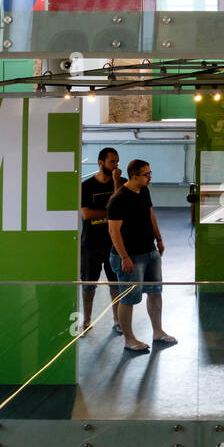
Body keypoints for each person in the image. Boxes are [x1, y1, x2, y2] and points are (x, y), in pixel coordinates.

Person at [107, 159, 175, 352]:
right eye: (146, 174)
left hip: (149, 252)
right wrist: (124, 257)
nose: (150, 176)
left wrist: (159, 239)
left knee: (155, 292)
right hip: (130, 257)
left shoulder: (144, 191)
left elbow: (150, 214)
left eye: (150, 173)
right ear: (134, 176)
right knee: (129, 298)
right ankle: (129, 339)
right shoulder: (118, 199)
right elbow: (113, 232)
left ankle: (158, 332)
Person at [80, 147, 123, 335]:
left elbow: (121, 207)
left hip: (114, 242)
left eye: (117, 161)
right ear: (101, 163)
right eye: (112, 162)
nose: (116, 165)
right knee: (89, 283)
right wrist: (111, 214)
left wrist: (115, 182)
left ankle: (118, 320)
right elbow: (86, 214)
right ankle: (87, 320)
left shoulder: (121, 183)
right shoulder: (87, 186)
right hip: (91, 242)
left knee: (115, 283)